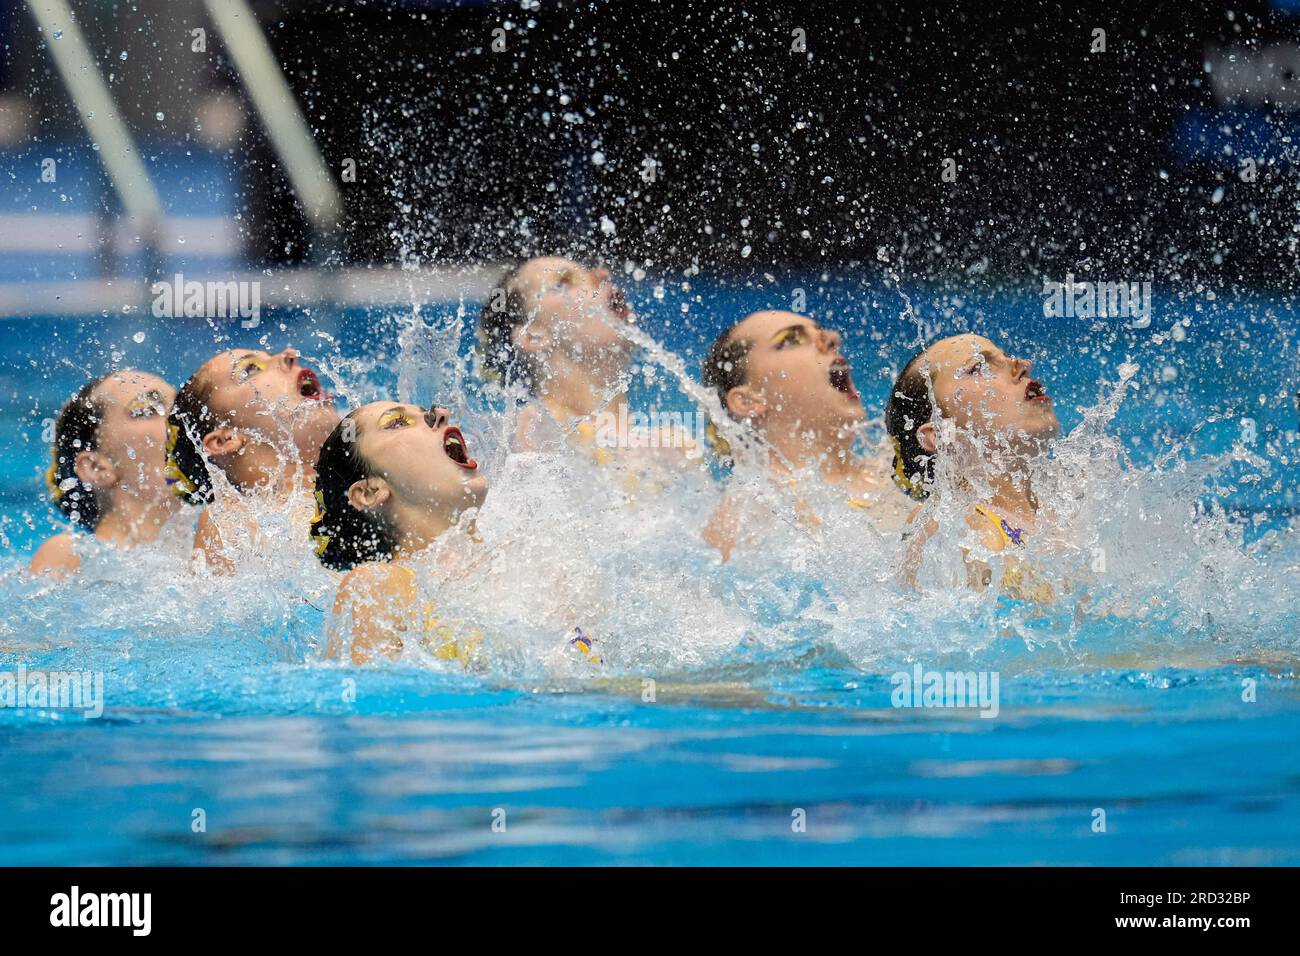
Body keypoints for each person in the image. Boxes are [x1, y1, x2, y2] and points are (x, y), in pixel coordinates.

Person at [699, 310, 910, 560]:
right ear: (747, 400)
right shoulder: (746, 521)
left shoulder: (908, 467)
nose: (831, 338)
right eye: (790, 340)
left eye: (821, 331)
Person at [476, 256, 696, 474]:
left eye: (588, 270)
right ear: (532, 336)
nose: (601, 274)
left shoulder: (673, 444)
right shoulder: (540, 428)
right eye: (563, 282)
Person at [885, 333, 1059, 596]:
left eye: (1008, 357)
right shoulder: (958, 529)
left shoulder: (1076, 504)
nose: (1022, 364)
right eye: (978, 367)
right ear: (942, 435)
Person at [166, 347, 339, 573]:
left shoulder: (369, 478)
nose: (289, 354)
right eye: (251, 368)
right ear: (225, 439)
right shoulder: (232, 522)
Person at [30, 370, 182, 576]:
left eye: (180, 404)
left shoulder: (213, 550)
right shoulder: (70, 556)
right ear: (97, 468)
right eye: (148, 409)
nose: (180, 416)